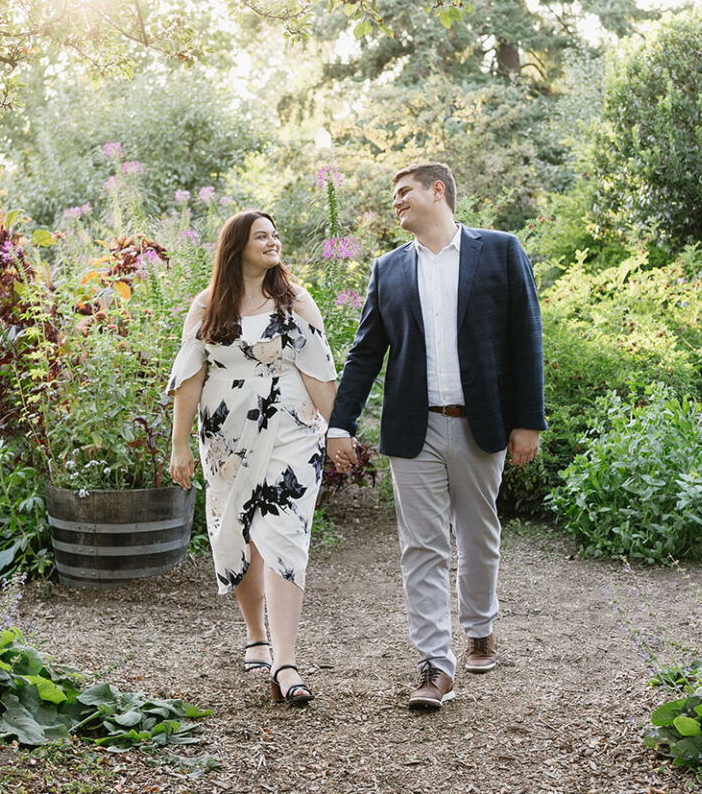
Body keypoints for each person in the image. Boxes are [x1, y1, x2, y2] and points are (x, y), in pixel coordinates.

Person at [326, 161, 545, 710]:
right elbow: (365, 353)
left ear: (437, 191)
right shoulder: (389, 269)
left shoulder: (499, 250)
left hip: (483, 421)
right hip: (413, 426)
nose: (396, 202)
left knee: (478, 534)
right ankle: (435, 666)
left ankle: (480, 626)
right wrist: (339, 422)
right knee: (421, 546)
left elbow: (527, 338)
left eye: (404, 192)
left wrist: (528, 421)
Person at [168, 209, 337, 706]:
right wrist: (179, 445)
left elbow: (321, 370)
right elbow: (188, 378)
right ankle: (255, 636)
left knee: (285, 535)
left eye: (275, 234)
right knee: (237, 533)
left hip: (292, 433)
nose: (273, 241)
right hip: (227, 440)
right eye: (261, 235)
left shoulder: (295, 300)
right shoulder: (208, 305)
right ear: (237, 245)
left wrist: (340, 432)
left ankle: (285, 661)